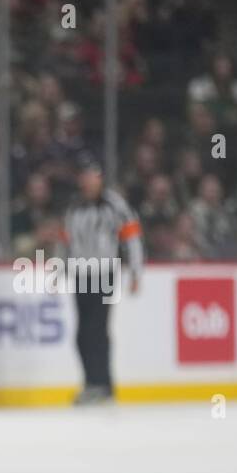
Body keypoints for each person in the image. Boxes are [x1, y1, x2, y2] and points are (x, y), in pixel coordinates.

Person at [61, 155, 144, 405]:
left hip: (104, 271)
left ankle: (102, 384)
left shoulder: (114, 205)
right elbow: (66, 242)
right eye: (85, 177)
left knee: (97, 328)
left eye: (93, 177)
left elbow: (132, 237)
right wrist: (59, 270)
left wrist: (136, 271)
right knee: (82, 333)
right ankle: (92, 382)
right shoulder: (74, 207)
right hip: (81, 272)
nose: (88, 182)